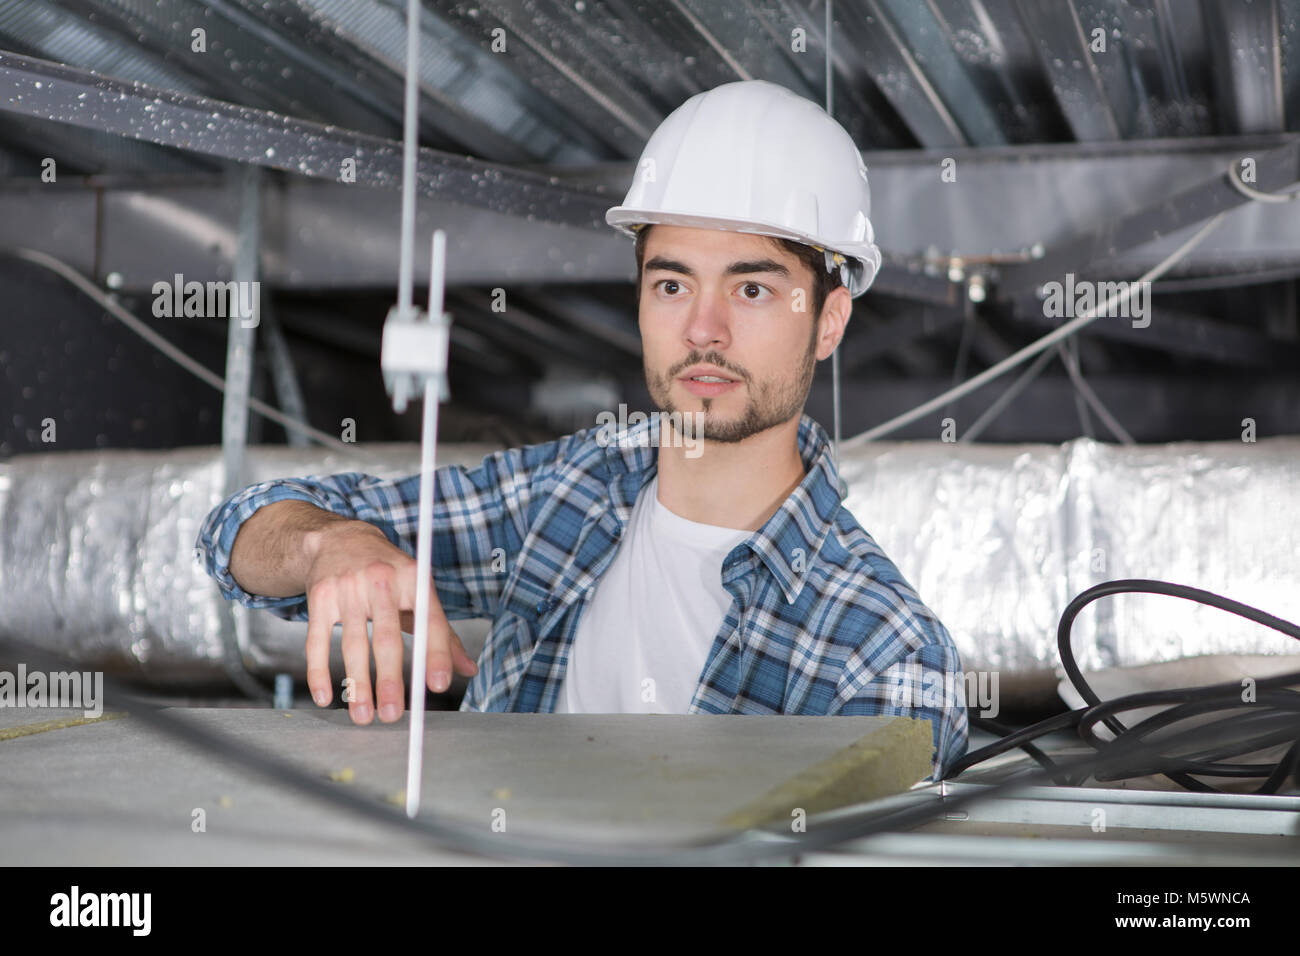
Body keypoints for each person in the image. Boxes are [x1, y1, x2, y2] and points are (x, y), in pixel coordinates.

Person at [196, 79, 968, 779]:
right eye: (672, 283)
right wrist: (328, 545)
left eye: (754, 289)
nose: (704, 329)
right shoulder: (569, 491)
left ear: (828, 320)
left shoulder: (885, 654)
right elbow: (235, 533)